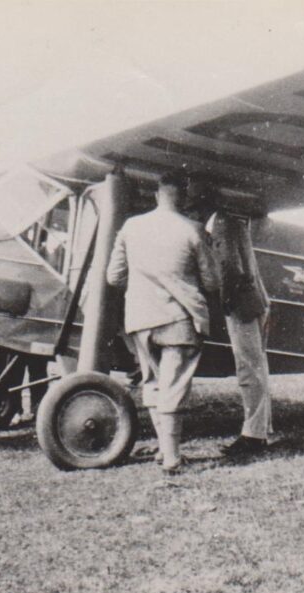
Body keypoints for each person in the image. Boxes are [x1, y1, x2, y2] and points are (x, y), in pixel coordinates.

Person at [106, 172, 218, 474]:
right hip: (178, 318)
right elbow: (212, 281)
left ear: (157, 195)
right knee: (174, 386)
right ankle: (171, 457)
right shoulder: (193, 230)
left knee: (152, 382)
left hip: (140, 318)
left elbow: (113, 277)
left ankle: (163, 449)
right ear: (182, 197)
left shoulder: (131, 226)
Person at [211, 211, 272, 457]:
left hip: (241, 305)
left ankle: (254, 436)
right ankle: (261, 430)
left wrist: (225, 300)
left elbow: (229, 266)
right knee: (257, 367)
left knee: (248, 369)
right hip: (253, 302)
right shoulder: (233, 223)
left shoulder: (221, 226)